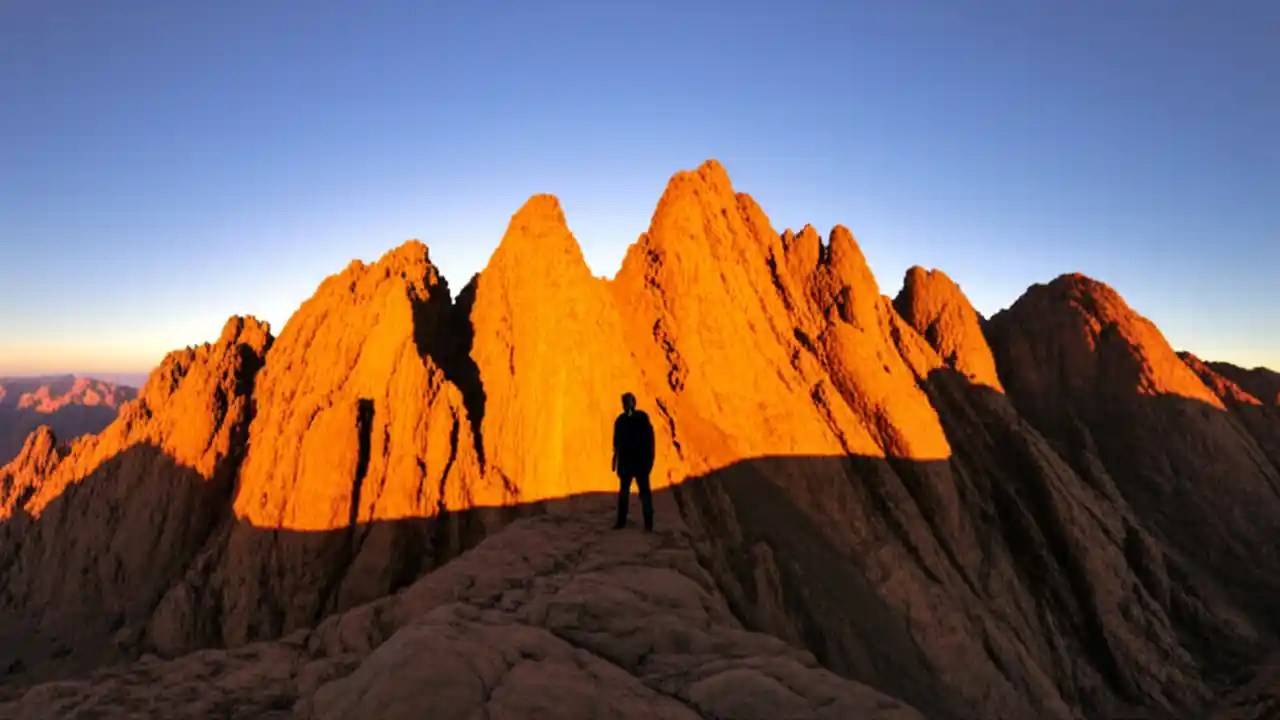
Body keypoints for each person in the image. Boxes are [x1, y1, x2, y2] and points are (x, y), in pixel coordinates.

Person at [612, 391, 655, 531]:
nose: (626, 405)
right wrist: (615, 460)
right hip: (627, 462)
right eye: (625, 403)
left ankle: (648, 523)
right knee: (624, 492)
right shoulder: (621, 420)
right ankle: (621, 521)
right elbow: (616, 442)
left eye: (628, 402)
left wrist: (649, 460)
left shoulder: (641, 418)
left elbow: (650, 441)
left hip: (640, 462)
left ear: (634, 403)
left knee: (644, 493)